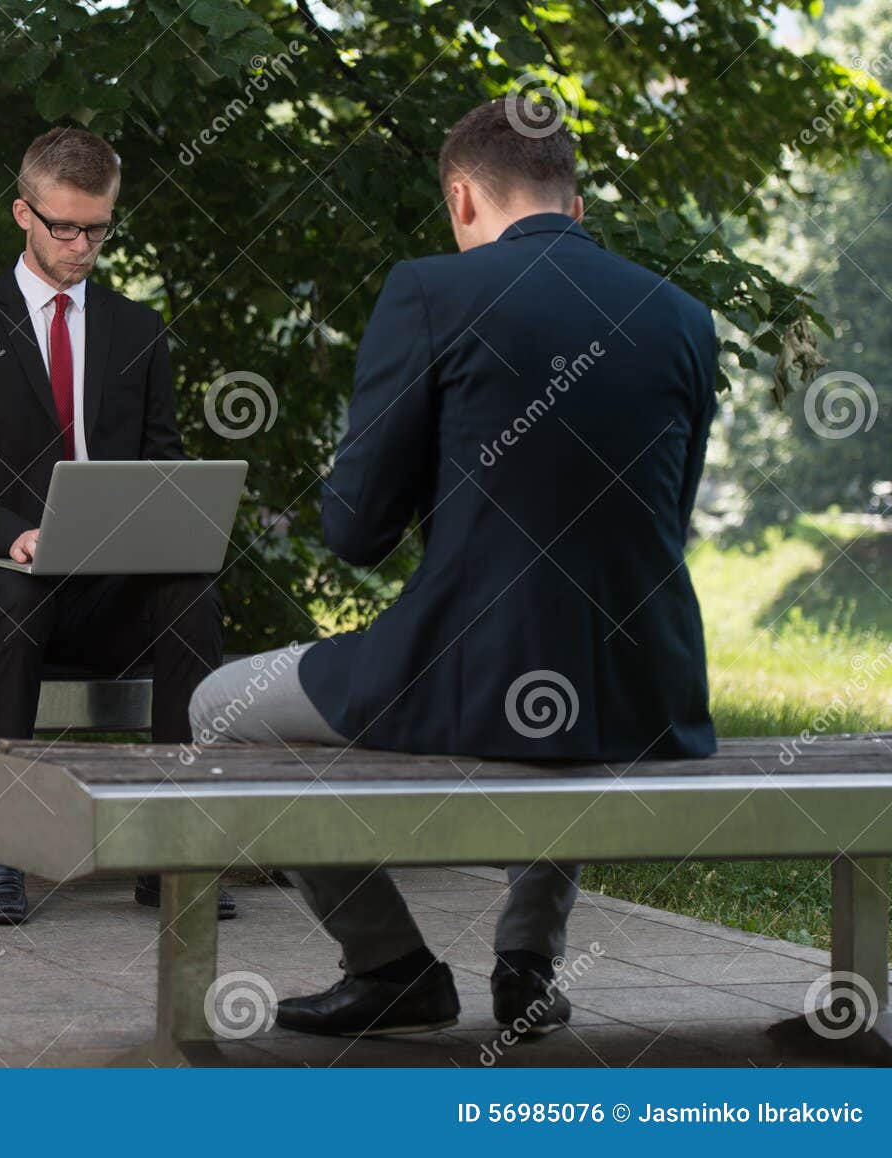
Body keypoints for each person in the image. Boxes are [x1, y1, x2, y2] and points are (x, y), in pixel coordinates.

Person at [187, 101, 717, 1037]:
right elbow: (659, 528)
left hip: (465, 671)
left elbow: (356, 532)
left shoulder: (432, 293)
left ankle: (389, 964)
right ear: (577, 205)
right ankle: (527, 966)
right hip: (646, 683)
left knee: (218, 707)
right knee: (565, 669)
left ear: (462, 197)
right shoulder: (679, 317)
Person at [0, 126, 232, 925]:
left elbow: (165, 467)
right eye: (64, 227)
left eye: (98, 227)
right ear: (23, 212)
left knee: (191, 594)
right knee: (19, 601)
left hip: (102, 590)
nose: (82, 245)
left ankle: (172, 851)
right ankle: (2, 850)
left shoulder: (138, 331)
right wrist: (12, 536)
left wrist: (169, 524)